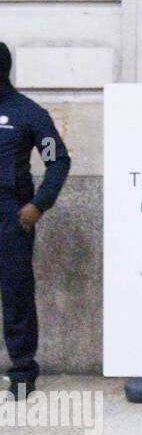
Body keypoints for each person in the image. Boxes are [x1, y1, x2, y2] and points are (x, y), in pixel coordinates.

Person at [0, 42, 71, 400]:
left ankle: (23, 371)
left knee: (15, 294)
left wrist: (39, 204)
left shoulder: (28, 113)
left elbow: (58, 159)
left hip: (10, 216)